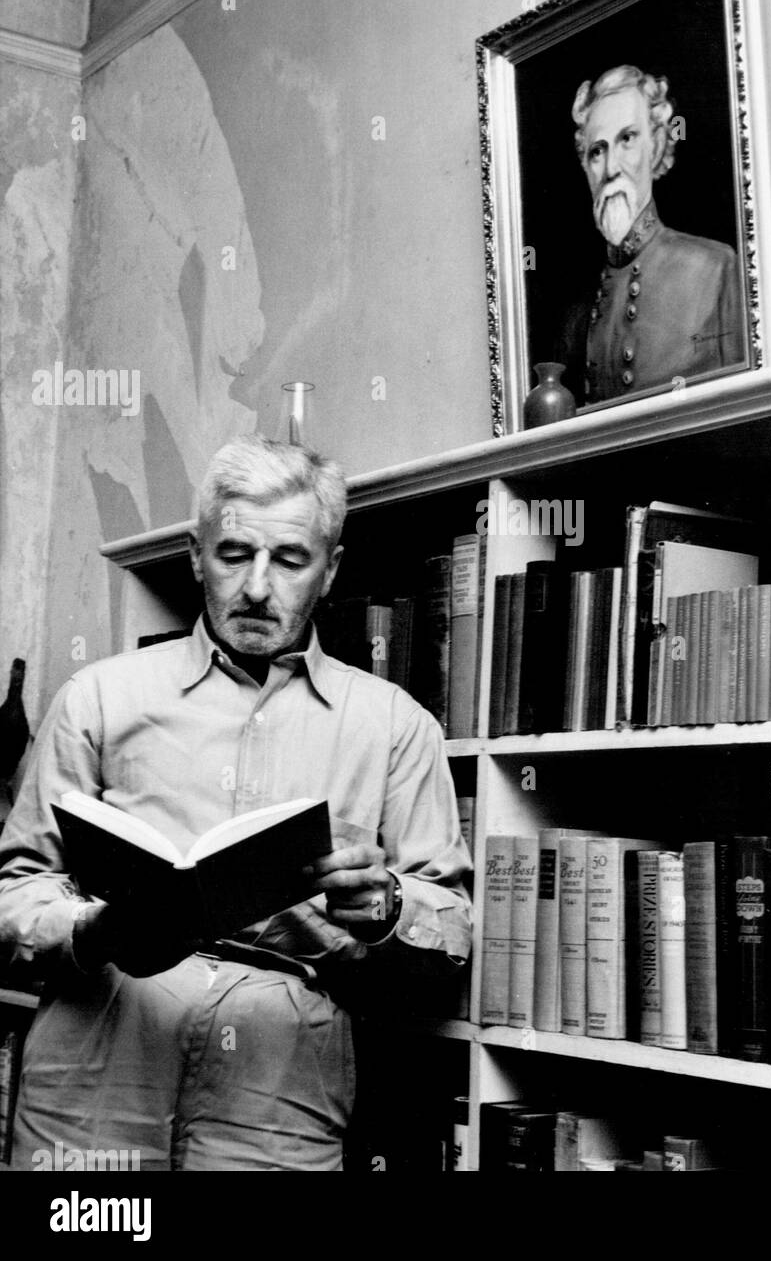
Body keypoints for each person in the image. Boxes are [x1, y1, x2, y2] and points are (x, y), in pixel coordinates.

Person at [0, 434, 472, 1171]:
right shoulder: (97, 698)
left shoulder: (396, 725)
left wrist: (385, 908)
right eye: (233, 554)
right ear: (195, 556)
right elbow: (13, 898)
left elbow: (453, 931)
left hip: (282, 1065)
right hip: (103, 1037)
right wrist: (93, 928)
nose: (257, 587)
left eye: (289, 560)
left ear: (330, 570)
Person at [558, 64, 746, 404]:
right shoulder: (576, 316)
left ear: (656, 145)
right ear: (586, 165)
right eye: (597, 151)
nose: (611, 167)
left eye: (627, 139)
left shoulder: (716, 268)